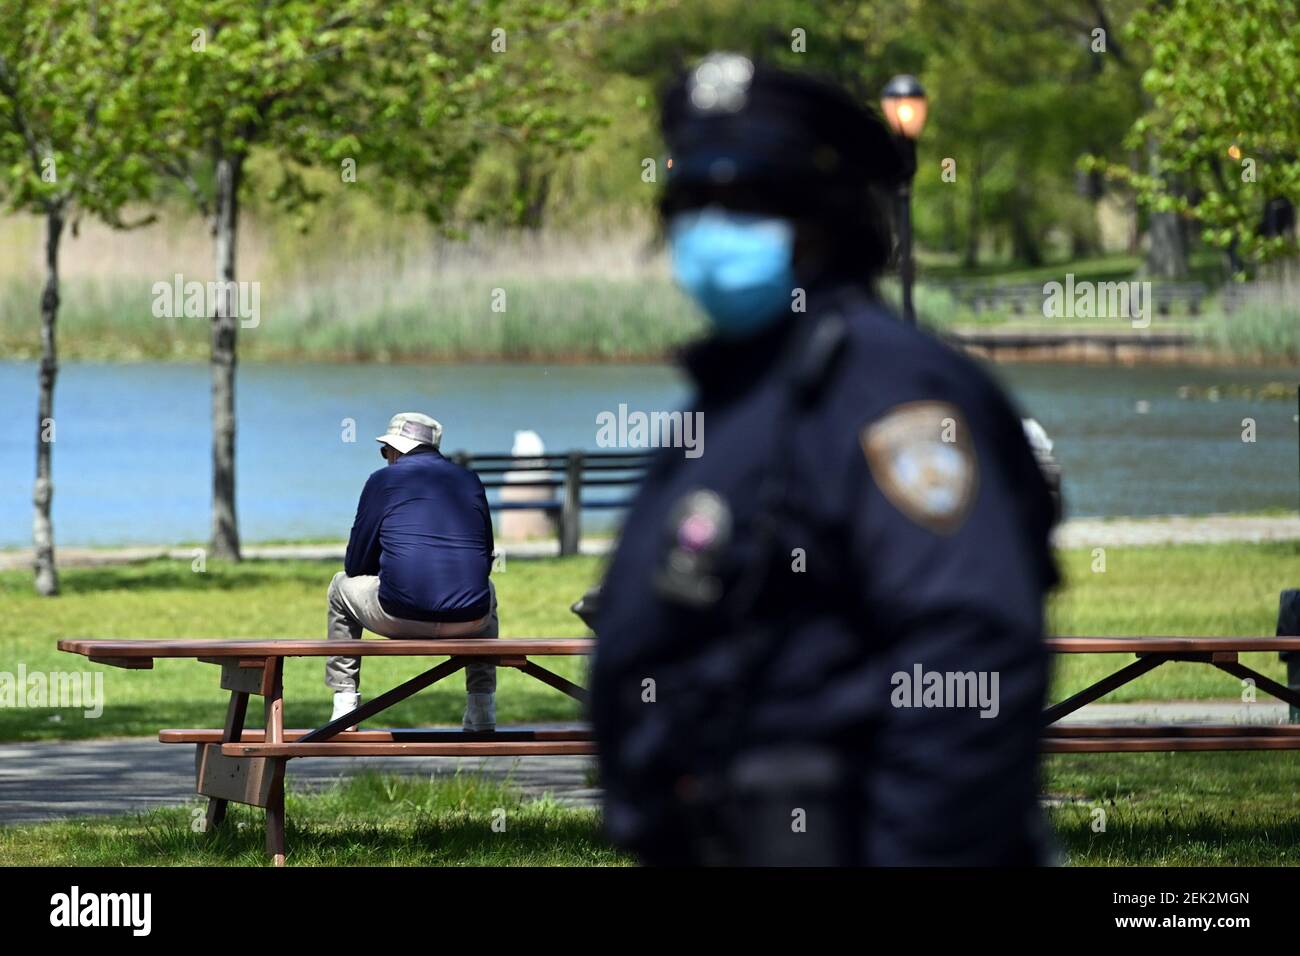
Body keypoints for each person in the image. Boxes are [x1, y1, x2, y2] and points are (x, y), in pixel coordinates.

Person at [588, 54, 1060, 866]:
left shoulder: (893, 392)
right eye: (690, 201)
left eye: (746, 201)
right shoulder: (737, 391)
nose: (709, 227)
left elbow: (970, 657)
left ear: (825, 219)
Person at [325, 412, 498, 731]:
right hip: (468, 620)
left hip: (399, 613)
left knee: (339, 586)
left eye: (385, 450)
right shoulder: (469, 480)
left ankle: (345, 706)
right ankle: (482, 706)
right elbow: (484, 557)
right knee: (487, 589)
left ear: (396, 449)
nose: (386, 457)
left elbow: (354, 564)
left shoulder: (383, 480)